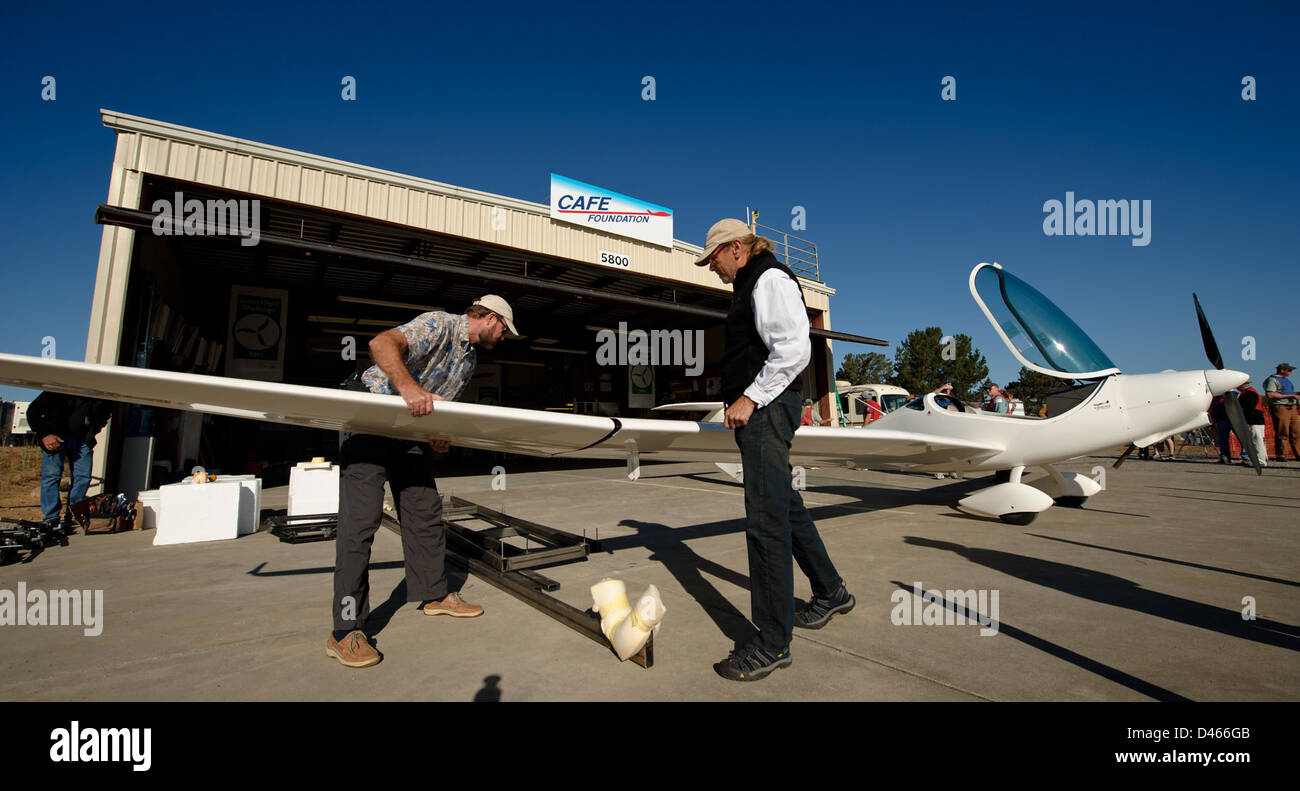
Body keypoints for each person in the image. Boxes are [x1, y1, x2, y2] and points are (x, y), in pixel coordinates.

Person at [696, 218, 853, 682]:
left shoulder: (767, 278)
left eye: (715, 259)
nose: (712, 268)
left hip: (765, 411)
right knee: (786, 505)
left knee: (765, 523)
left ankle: (771, 643)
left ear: (738, 248)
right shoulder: (752, 280)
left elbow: (793, 349)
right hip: (763, 409)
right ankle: (831, 592)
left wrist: (748, 397)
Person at [326, 295, 517, 669]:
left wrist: (439, 434)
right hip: (369, 416)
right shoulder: (439, 324)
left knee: (425, 511)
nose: (505, 337)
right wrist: (409, 389)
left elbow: (437, 409)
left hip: (408, 432)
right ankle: (343, 631)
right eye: (504, 329)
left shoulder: (469, 360)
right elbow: (380, 343)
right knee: (360, 524)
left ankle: (434, 596)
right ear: (491, 318)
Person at [26, 392, 112, 525]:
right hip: (56, 438)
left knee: (83, 477)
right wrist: (44, 434)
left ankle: (74, 512)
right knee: (52, 477)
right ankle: (51, 516)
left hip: (82, 440)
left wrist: (93, 432)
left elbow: (106, 412)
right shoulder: (57, 390)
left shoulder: (95, 395)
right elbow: (32, 411)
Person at [1263, 363, 1298, 463]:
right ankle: (1281, 454)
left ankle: (1298, 453)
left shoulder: (1286, 380)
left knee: (1296, 432)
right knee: (1283, 431)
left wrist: (1295, 394)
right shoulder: (1272, 380)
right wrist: (1290, 396)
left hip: (1292, 407)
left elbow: (1283, 393)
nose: (1291, 372)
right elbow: (1270, 394)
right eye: (1289, 370)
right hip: (1281, 407)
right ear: (1282, 370)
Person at [1237, 380, 1268, 467]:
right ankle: (1263, 458)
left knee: (1256, 440)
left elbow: (1249, 409)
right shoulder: (1251, 392)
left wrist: (1247, 421)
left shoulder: (1249, 394)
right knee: (1259, 439)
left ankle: (1260, 461)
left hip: (1254, 419)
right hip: (1257, 419)